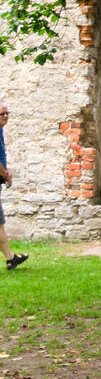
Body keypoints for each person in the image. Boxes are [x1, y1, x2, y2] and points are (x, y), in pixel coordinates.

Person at [0, 104, 28, 271]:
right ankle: (10, 258)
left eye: (7, 113)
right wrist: (5, 174)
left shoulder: (0, 132)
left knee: (0, 224)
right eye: (1, 114)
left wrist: (5, 170)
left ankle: (10, 259)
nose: (5, 116)